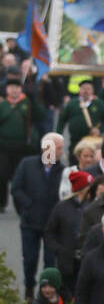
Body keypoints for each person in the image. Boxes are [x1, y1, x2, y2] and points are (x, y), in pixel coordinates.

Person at [11, 133, 66, 300]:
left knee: (50, 261)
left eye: (60, 148)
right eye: (55, 147)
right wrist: (28, 206)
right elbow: (16, 188)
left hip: (52, 225)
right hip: (30, 222)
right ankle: (29, 286)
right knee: (30, 259)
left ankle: (46, 293)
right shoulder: (27, 164)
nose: (58, 151)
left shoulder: (63, 171)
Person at [44, 167, 94, 288]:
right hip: (67, 264)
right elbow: (49, 232)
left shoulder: (94, 207)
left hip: (88, 262)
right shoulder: (61, 207)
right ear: (83, 189)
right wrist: (59, 250)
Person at [0, 79, 38, 213]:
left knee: (19, 177)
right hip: (4, 147)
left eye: (16, 87)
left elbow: (40, 116)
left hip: (22, 147)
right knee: (2, 175)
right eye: (11, 87)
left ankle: (19, 204)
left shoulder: (27, 103)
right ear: (7, 90)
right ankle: (1, 203)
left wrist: (34, 100)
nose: (14, 90)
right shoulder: (3, 105)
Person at [57, 81, 104, 150]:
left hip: (92, 140)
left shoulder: (98, 104)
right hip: (75, 140)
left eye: (88, 89)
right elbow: (62, 120)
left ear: (92, 90)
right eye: (83, 88)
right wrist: (58, 135)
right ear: (79, 90)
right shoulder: (72, 103)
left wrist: (99, 130)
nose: (86, 91)